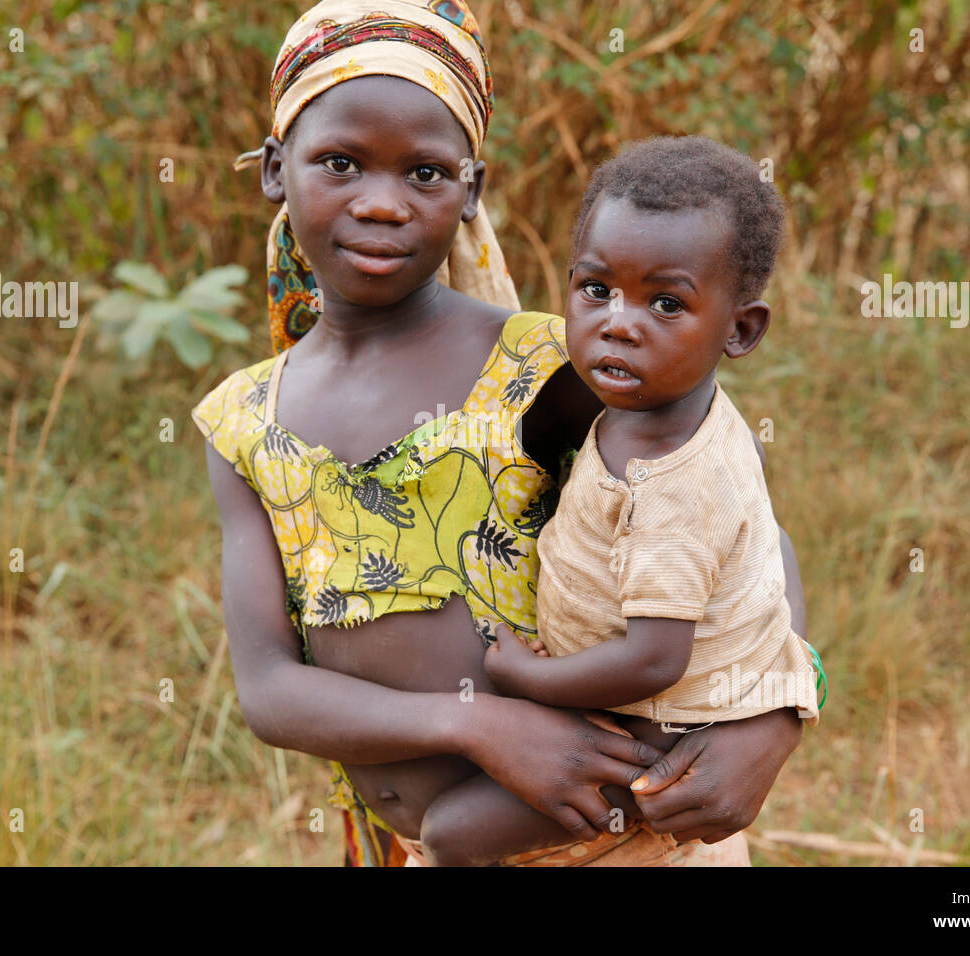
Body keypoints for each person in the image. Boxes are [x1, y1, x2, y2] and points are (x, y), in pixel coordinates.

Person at [194, 0, 821, 866]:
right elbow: (269, 690)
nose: (381, 204)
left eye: (424, 173)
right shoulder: (244, 423)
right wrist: (481, 724)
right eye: (340, 163)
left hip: (627, 847)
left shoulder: (547, 368)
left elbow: (745, 530)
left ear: (471, 189)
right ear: (274, 169)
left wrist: (779, 713)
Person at [416, 136, 824, 866]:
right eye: (596, 289)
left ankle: (639, 813)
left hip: (655, 732)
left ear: (741, 330)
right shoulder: (649, 412)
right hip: (640, 707)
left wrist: (526, 679)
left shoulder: (670, 485)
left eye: (665, 302)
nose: (619, 321)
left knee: (452, 834)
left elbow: (652, 660)